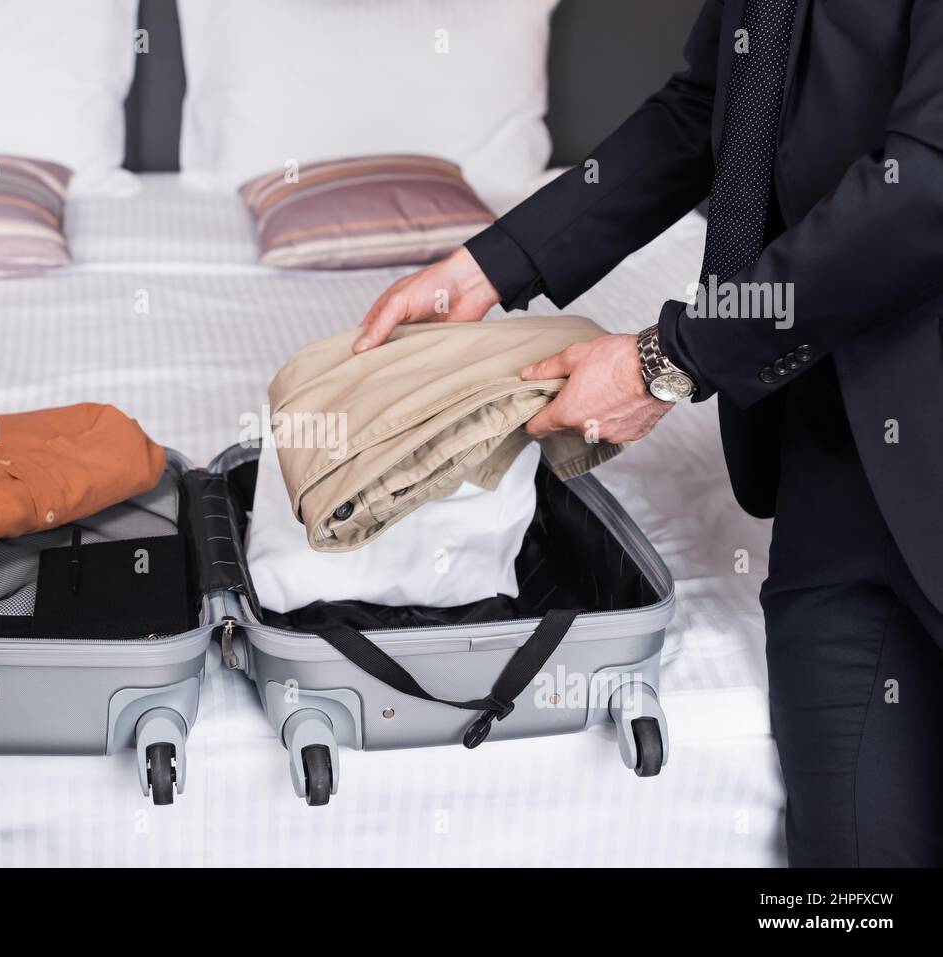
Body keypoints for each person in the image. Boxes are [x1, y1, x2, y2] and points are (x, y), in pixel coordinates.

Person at [354, 0, 943, 867]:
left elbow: (926, 187)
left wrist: (667, 357)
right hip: (833, 489)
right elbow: (709, 109)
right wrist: (492, 265)